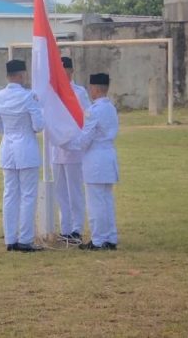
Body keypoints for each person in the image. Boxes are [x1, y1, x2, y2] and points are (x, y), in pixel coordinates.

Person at [0, 59, 45, 252]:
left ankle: (10, 238)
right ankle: (25, 239)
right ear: (22, 75)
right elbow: (39, 125)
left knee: (10, 194)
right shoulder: (29, 96)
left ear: (8, 76)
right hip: (26, 148)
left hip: (7, 148)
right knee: (28, 195)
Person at [65, 73, 119, 250]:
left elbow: (84, 139)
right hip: (108, 155)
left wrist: (66, 144)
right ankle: (110, 237)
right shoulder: (111, 107)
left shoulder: (94, 111)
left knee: (95, 202)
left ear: (95, 89)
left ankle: (97, 240)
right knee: (106, 201)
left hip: (95, 158)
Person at [49, 56, 91, 244]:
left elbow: (86, 118)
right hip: (55, 148)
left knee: (74, 191)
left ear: (71, 71)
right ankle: (65, 228)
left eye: (63, 69)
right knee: (60, 192)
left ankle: (76, 229)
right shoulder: (52, 92)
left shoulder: (79, 92)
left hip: (74, 148)